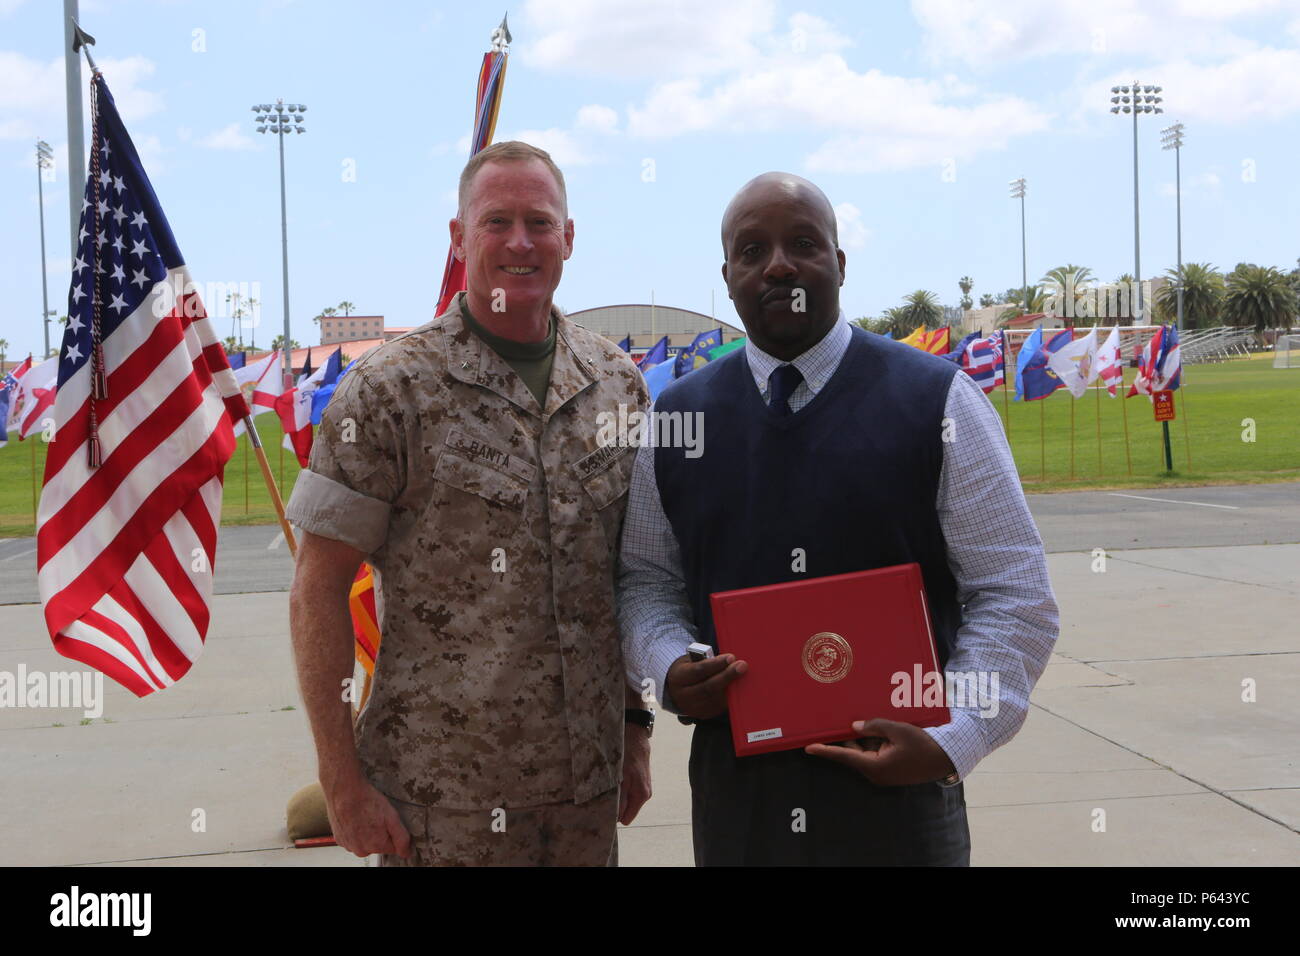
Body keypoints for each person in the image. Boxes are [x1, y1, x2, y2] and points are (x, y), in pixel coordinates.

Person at [617, 171, 1059, 866]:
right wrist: (669, 663)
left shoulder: (940, 402)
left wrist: (956, 736)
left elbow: (1014, 593)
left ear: (840, 263)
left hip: (903, 805)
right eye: (752, 249)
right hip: (741, 806)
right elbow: (644, 582)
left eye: (803, 242)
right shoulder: (672, 423)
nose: (779, 264)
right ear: (727, 275)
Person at [286, 141, 652, 867]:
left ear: (568, 238)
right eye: (496, 221)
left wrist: (637, 731)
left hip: (584, 800)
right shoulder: (390, 390)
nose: (521, 242)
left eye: (540, 222)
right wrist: (341, 779)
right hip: (439, 805)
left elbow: (632, 577)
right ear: (459, 237)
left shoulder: (616, 385)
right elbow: (317, 589)